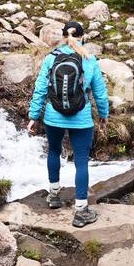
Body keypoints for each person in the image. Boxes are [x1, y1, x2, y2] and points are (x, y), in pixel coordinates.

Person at [27, 21, 110, 227]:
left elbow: (40, 89)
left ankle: (54, 196)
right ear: (83, 37)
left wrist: (33, 116)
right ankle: (81, 210)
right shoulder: (89, 60)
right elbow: (100, 93)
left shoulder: (51, 58)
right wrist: (104, 115)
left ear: (63, 37)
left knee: (54, 152)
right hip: (81, 119)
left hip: (53, 117)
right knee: (81, 161)